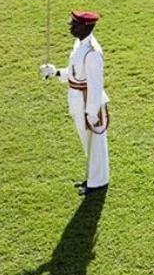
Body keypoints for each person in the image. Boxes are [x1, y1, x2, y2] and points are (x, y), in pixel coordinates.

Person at [40, 11, 110, 195]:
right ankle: (93, 179)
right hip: (79, 101)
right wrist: (55, 72)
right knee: (87, 143)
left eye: (74, 23)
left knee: (95, 144)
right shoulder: (80, 45)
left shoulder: (92, 53)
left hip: (88, 103)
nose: (70, 25)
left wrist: (92, 112)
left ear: (85, 27)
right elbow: (75, 75)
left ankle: (98, 183)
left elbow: (95, 85)